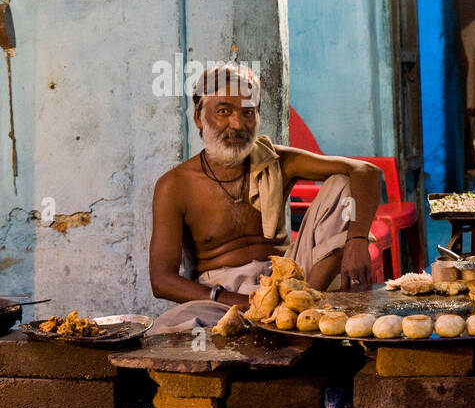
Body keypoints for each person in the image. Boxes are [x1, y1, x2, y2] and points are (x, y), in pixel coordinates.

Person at [148, 63, 382, 331]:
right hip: (222, 297)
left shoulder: (277, 161)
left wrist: (357, 240)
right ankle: (291, 321)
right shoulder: (175, 185)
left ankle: (303, 310)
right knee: (167, 330)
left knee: (342, 184)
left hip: (294, 280)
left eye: (247, 112)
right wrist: (242, 301)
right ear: (199, 117)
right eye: (224, 111)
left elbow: (366, 172)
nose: (237, 124)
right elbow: (161, 280)